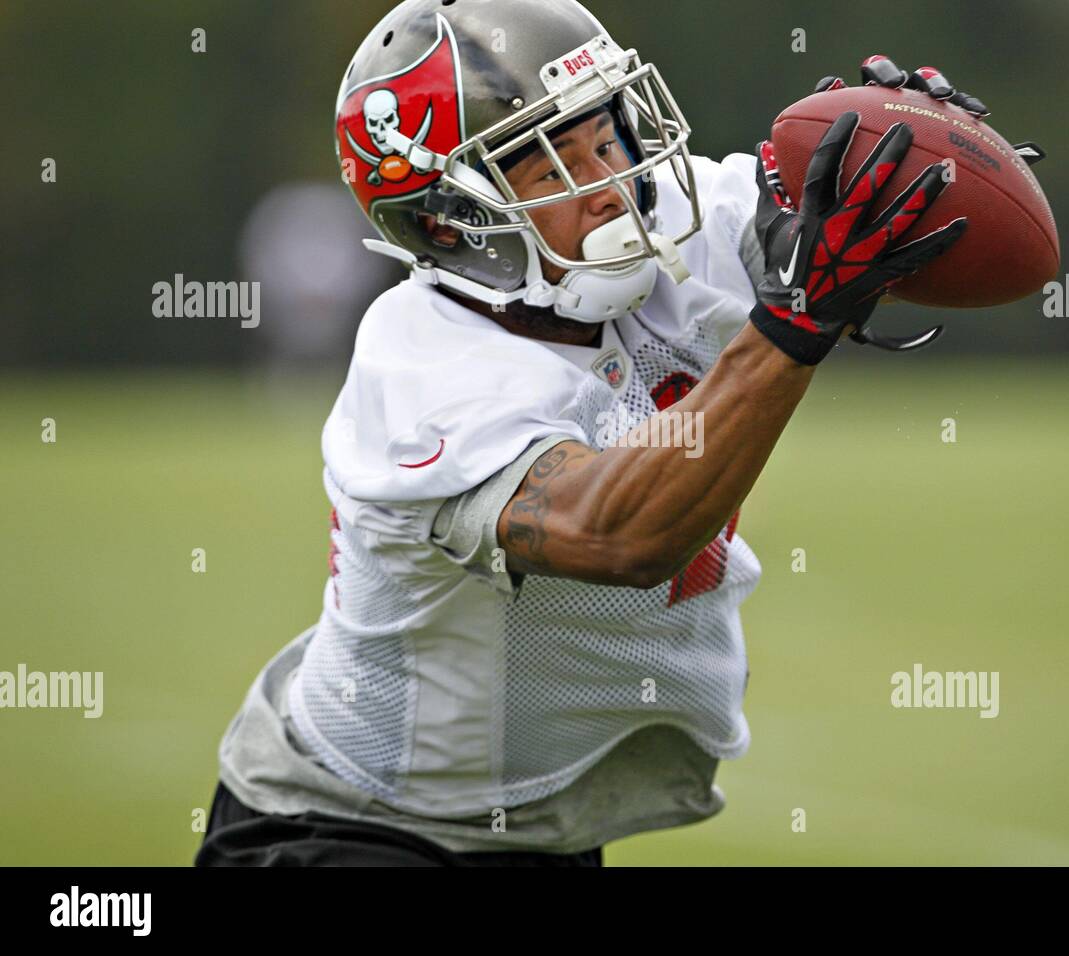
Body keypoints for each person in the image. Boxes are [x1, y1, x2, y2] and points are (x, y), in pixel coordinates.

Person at [196, 0, 990, 866]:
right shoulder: (424, 364)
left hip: (536, 825)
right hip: (356, 827)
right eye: (548, 170)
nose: (609, 183)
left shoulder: (673, 229)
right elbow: (616, 533)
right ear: (448, 224)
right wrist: (793, 328)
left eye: (606, 140)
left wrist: (919, 157)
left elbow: (852, 211)